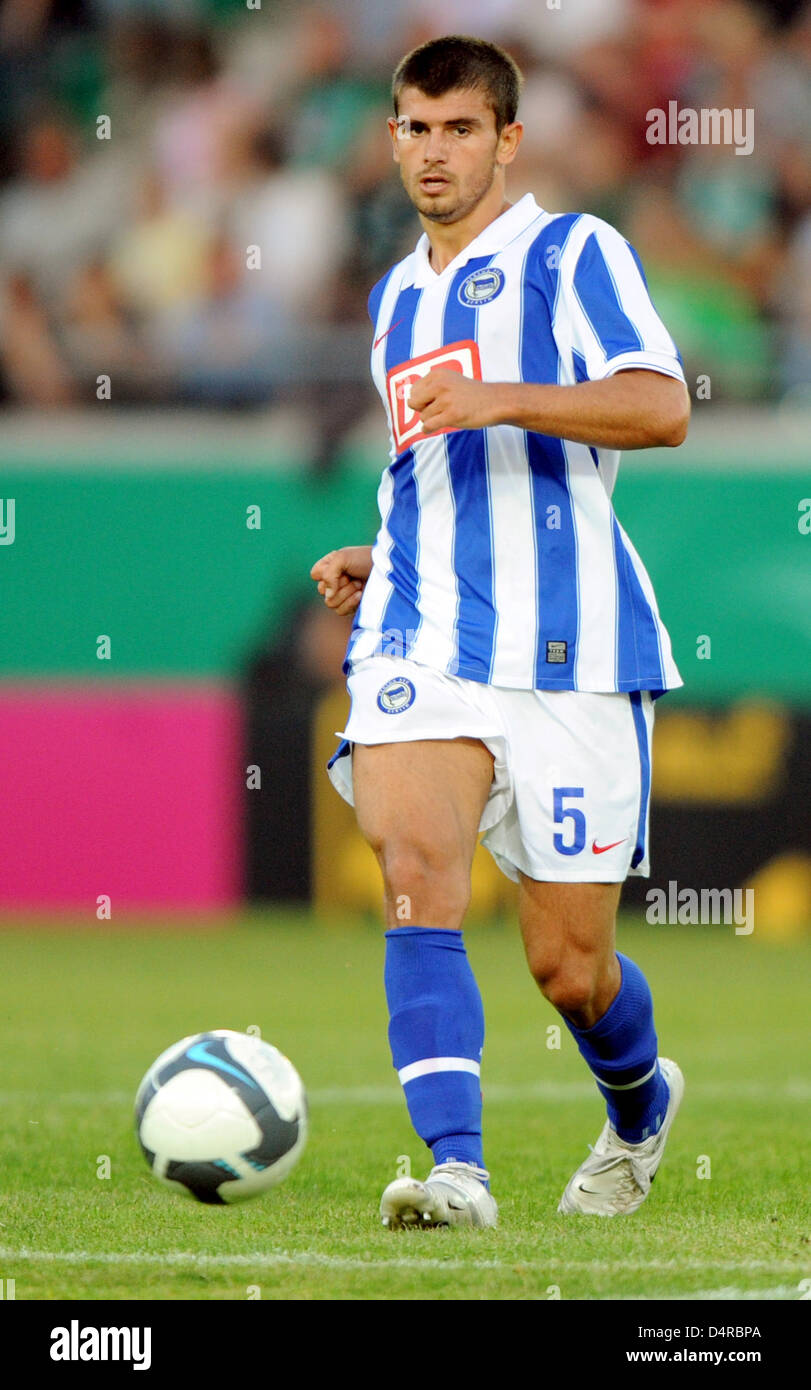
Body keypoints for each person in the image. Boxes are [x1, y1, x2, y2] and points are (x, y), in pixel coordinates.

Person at [310, 35, 689, 1229]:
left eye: (460, 129)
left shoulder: (574, 253)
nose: (434, 151)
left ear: (507, 140)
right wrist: (386, 553)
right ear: (391, 139)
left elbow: (661, 404)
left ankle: (637, 1109)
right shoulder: (391, 298)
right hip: (421, 639)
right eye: (415, 129)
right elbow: (430, 463)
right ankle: (456, 1170)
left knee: (568, 971)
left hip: (571, 646)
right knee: (416, 879)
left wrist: (503, 397)